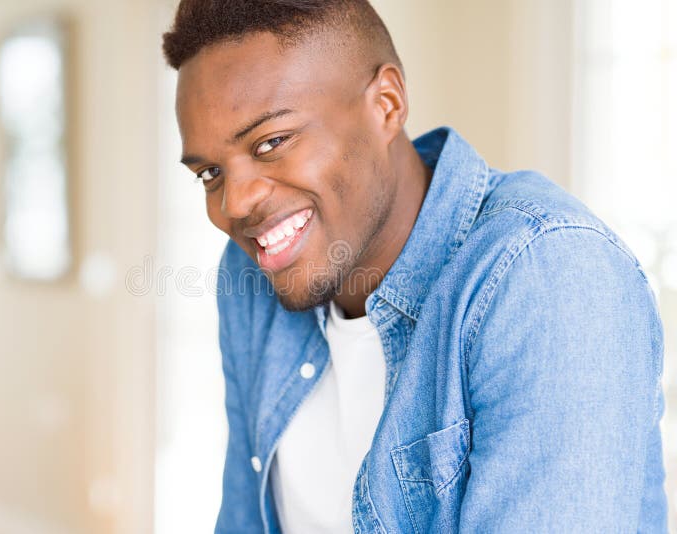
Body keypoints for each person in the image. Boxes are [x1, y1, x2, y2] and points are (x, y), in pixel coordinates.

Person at [162, 1, 668, 532]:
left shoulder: (546, 274)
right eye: (210, 173)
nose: (235, 204)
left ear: (386, 104)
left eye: (271, 142)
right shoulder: (249, 279)